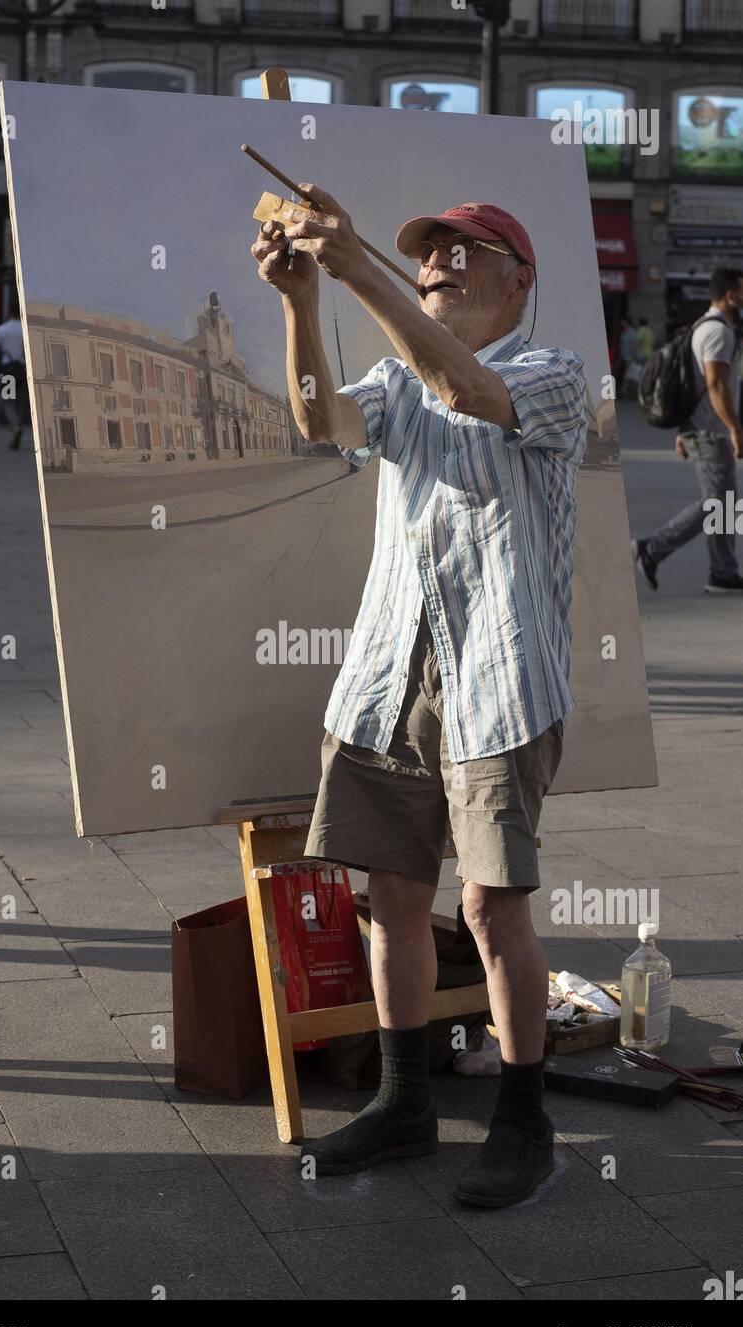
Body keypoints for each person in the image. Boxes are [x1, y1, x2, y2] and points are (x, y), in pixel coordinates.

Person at [251, 193, 586, 1207]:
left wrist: (360, 270)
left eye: (460, 250)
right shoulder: (399, 381)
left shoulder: (552, 376)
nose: (436, 261)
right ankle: (402, 1102)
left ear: (517, 277)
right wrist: (302, 301)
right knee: (390, 901)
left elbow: (473, 394)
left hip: (498, 672)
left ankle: (523, 1121)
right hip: (391, 668)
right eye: (424, 252)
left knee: (488, 907)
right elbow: (318, 418)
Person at [633, 266, 743, 594]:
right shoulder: (718, 332)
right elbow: (713, 383)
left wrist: (684, 430)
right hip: (711, 432)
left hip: (704, 430)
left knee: (725, 504)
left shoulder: (705, 326)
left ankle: (723, 572)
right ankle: (651, 549)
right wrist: (734, 427)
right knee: (718, 504)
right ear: (730, 295)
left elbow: (688, 383)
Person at [0, 296, 28, 449]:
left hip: (8, 372)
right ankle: (15, 433)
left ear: (9, 311)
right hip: (24, 372)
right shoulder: (26, 329)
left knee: (9, 402)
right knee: (21, 402)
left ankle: (15, 427)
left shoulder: (1, 330)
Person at [615, 316, 640, 397]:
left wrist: (634, 357)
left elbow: (635, 346)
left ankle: (624, 392)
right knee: (624, 375)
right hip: (623, 357)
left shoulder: (632, 333)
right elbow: (622, 346)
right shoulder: (624, 333)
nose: (621, 323)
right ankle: (624, 391)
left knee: (627, 375)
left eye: (623, 321)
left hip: (629, 358)